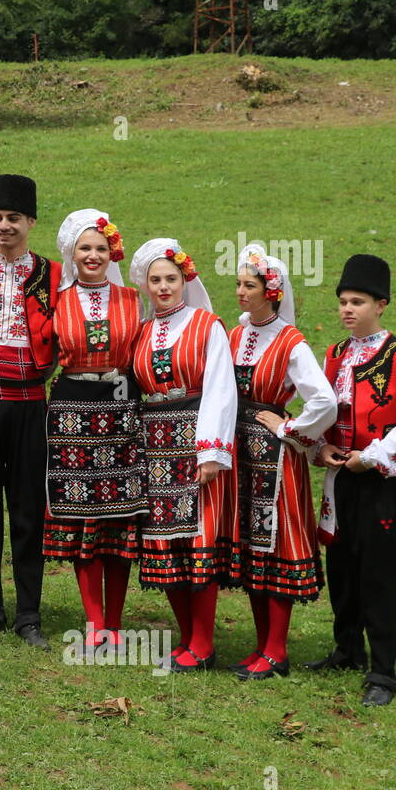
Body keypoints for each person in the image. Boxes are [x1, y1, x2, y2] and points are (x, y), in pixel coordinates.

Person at [307, 254, 396, 706]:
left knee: (379, 571)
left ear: (381, 305)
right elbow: (322, 409)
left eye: (357, 301)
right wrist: (319, 446)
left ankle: (383, 671)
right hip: (340, 475)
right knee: (340, 565)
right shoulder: (334, 355)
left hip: (382, 479)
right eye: (342, 301)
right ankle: (347, 649)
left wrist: (373, 457)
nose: (347, 309)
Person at [0, 175, 61, 648]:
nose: (3, 226)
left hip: (29, 401)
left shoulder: (54, 273)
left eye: (13, 219)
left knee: (27, 508)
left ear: (31, 223)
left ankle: (28, 613)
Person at [226, 245, 335, 680]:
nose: (240, 292)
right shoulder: (235, 335)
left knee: (275, 545)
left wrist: (290, 429)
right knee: (253, 545)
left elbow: (324, 399)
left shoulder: (291, 342)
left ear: (271, 292)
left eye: (248, 285)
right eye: (237, 284)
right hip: (240, 451)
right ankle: (260, 645)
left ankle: (277, 649)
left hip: (274, 458)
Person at [128, 238, 237, 672]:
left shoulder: (207, 325)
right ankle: (187, 635)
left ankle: (204, 641)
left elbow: (220, 389)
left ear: (184, 280)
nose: (163, 287)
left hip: (193, 442)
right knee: (165, 540)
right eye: (155, 280)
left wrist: (210, 451)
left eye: (170, 279)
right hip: (154, 444)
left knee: (197, 540)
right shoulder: (140, 329)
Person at [41, 209, 146, 656]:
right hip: (70, 410)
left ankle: (117, 622)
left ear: (112, 253)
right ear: (71, 252)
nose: (93, 255)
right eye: (85, 248)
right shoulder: (56, 299)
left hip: (121, 409)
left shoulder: (131, 298)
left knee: (118, 519)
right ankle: (94, 621)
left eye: (100, 248)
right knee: (85, 517)